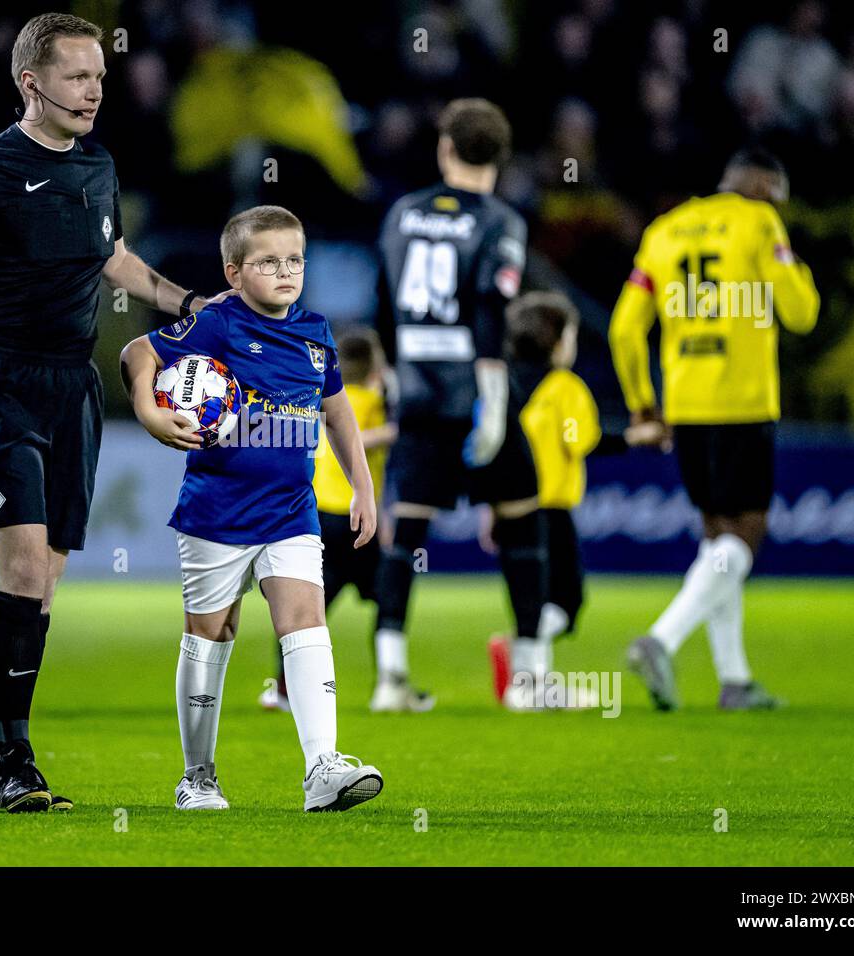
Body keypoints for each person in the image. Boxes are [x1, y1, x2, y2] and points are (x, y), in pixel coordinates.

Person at [0, 13, 228, 813]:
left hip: (74, 389)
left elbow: (114, 257)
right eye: (76, 76)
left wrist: (186, 303)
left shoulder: (98, 164)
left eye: (99, 75)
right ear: (31, 83)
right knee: (23, 569)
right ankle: (7, 761)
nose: (94, 89)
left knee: (46, 580)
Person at [121, 205, 384, 812]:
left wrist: (362, 486)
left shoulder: (317, 332)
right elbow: (138, 351)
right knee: (211, 637)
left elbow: (337, 410)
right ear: (234, 272)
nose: (286, 271)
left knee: (307, 622)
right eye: (268, 262)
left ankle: (323, 767)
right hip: (217, 512)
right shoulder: (217, 325)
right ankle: (199, 776)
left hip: (293, 511)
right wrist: (148, 410)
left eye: (295, 260)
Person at [609, 147, 819, 711]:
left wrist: (642, 404)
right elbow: (801, 312)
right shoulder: (759, 220)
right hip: (743, 402)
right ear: (765, 185)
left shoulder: (665, 229)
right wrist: (790, 264)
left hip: (685, 404)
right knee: (744, 534)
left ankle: (735, 680)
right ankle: (662, 639)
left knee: (717, 540)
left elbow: (625, 328)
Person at [371, 98, 552, 710]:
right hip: (476, 395)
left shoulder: (402, 213)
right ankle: (528, 679)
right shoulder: (501, 221)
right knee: (523, 515)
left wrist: (395, 380)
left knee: (408, 532)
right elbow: (489, 308)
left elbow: (384, 307)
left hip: (419, 394)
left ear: (445, 148)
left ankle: (390, 676)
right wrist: (496, 398)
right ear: (501, 156)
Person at [489, 291, 661, 709]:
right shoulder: (566, 387)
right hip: (550, 507)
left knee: (530, 595)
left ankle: (533, 681)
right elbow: (582, 441)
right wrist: (637, 437)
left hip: (509, 504)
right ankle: (526, 667)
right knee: (567, 600)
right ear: (558, 341)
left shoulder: (502, 381)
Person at [259, 325, 398, 712]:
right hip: (352, 520)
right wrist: (390, 430)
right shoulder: (368, 400)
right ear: (375, 367)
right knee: (390, 598)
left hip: (319, 519)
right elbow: (369, 433)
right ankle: (390, 680)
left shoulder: (319, 399)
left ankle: (282, 689)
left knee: (303, 607)